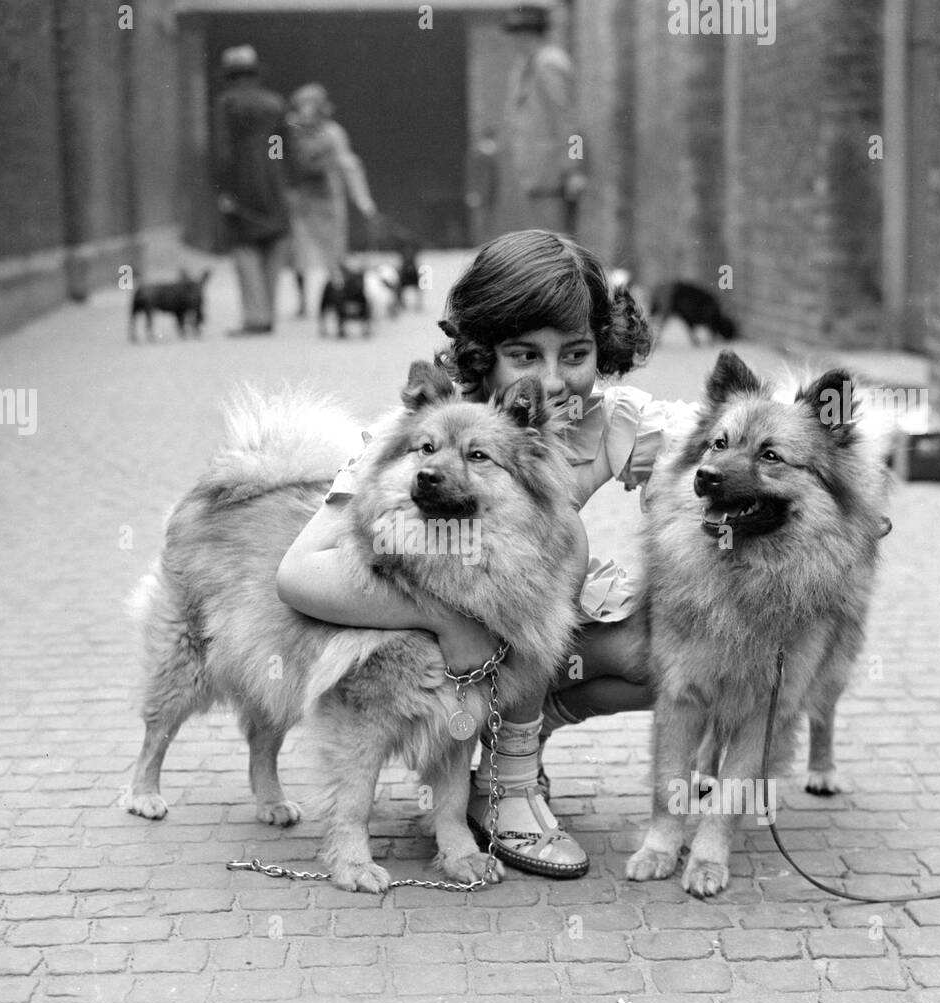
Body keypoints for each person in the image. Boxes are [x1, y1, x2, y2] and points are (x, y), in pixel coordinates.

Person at [275, 229, 698, 878]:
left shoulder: (618, 421)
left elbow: (718, 449)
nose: (554, 380)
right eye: (525, 354)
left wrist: (839, 496)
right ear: (483, 354)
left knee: (669, 654)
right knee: (568, 540)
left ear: (601, 348)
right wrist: (451, 621)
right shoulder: (433, 430)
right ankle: (509, 790)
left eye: (576, 353)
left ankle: (514, 743)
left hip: (529, 629)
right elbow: (299, 572)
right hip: (442, 636)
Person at [211, 45, 290, 335]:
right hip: (273, 181)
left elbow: (223, 151)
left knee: (245, 248)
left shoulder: (227, 103)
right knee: (273, 243)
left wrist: (224, 190)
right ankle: (268, 313)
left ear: (230, 75)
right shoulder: (275, 103)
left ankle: (255, 317)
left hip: (241, 182)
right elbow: (283, 147)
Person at [283, 83, 377, 318]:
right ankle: (303, 300)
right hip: (300, 198)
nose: (307, 110)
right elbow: (274, 157)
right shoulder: (286, 131)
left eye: (312, 104)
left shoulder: (333, 132)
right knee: (299, 253)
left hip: (328, 198)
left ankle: (338, 294)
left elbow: (349, 165)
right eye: (303, 104)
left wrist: (362, 198)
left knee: (334, 251)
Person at [496, 3, 586, 236]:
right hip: (537, 175)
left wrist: (573, 169)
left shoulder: (550, 63)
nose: (516, 41)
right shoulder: (529, 64)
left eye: (520, 34)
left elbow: (566, 118)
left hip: (553, 177)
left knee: (556, 245)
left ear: (531, 34)